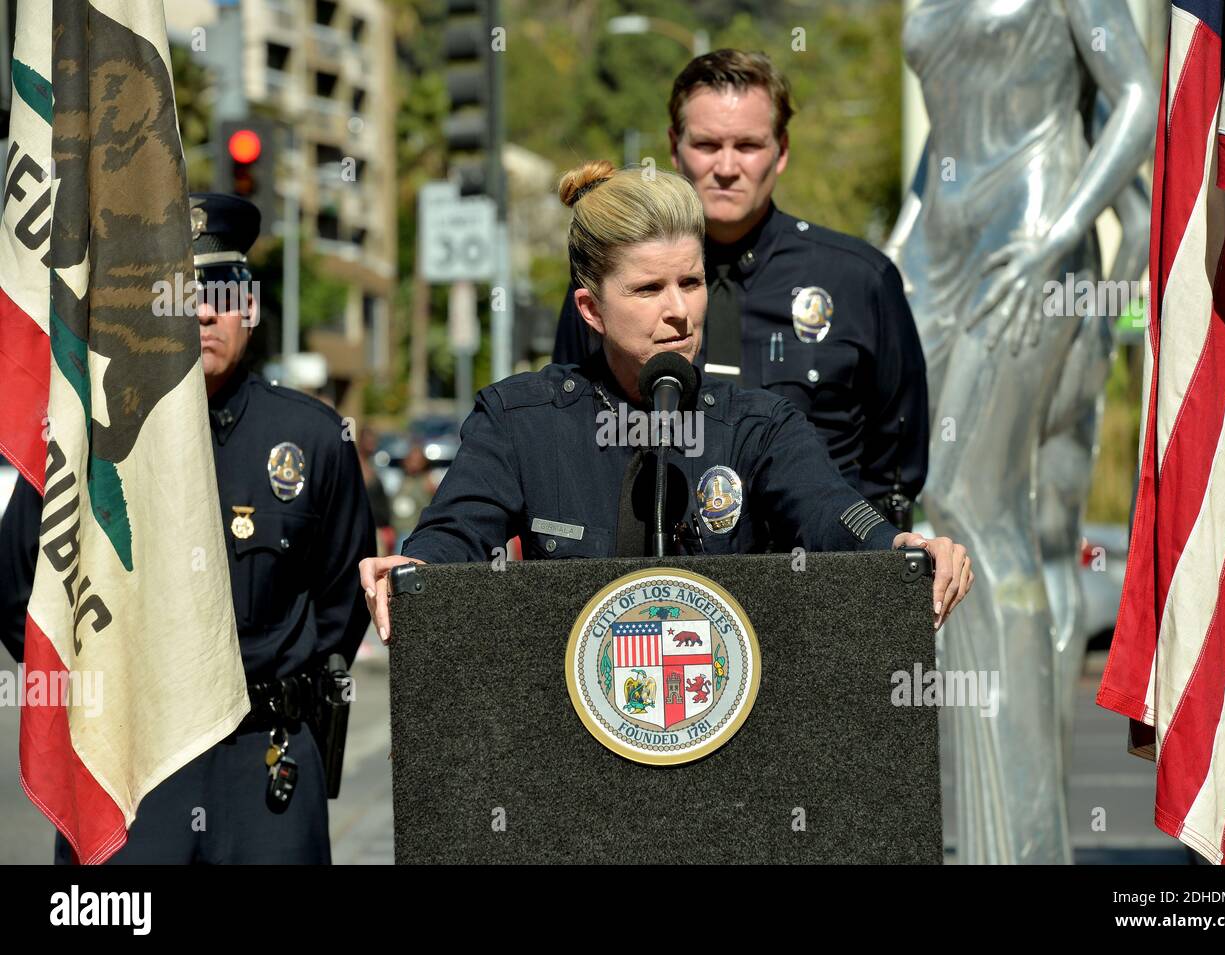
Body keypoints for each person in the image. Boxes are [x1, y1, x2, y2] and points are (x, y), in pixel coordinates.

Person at [360, 162, 971, 644]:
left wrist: (894, 548)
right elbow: (455, 532)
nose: (678, 310)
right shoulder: (520, 421)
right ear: (591, 310)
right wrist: (413, 568)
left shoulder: (758, 425)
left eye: (692, 282)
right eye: (648, 288)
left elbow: (830, 509)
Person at [0, 194, 377, 864]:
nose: (203, 309)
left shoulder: (312, 438)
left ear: (250, 307)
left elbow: (340, 604)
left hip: (266, 765)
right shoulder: (85, 437)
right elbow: (18, 592)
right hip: (130, 767)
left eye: (223, 291)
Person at [884, 0, 1157, 863]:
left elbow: (1140, 99)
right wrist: (890, 254)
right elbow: (944, 138)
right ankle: (996, 834)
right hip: (936, 250)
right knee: (933, 496)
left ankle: (1022, 844)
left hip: (1033, 229)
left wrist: (1077, 256)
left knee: (981, 504)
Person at [553, 50, 929, 529]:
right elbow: (574, 420)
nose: (726, 167)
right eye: (707, 145)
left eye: (748, 145)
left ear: (782, 149)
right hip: (666, 583)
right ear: (674, 146)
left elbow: (896, 468)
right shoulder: (611, 284)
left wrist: (865, 574)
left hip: (820, 578)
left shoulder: (860, 279)